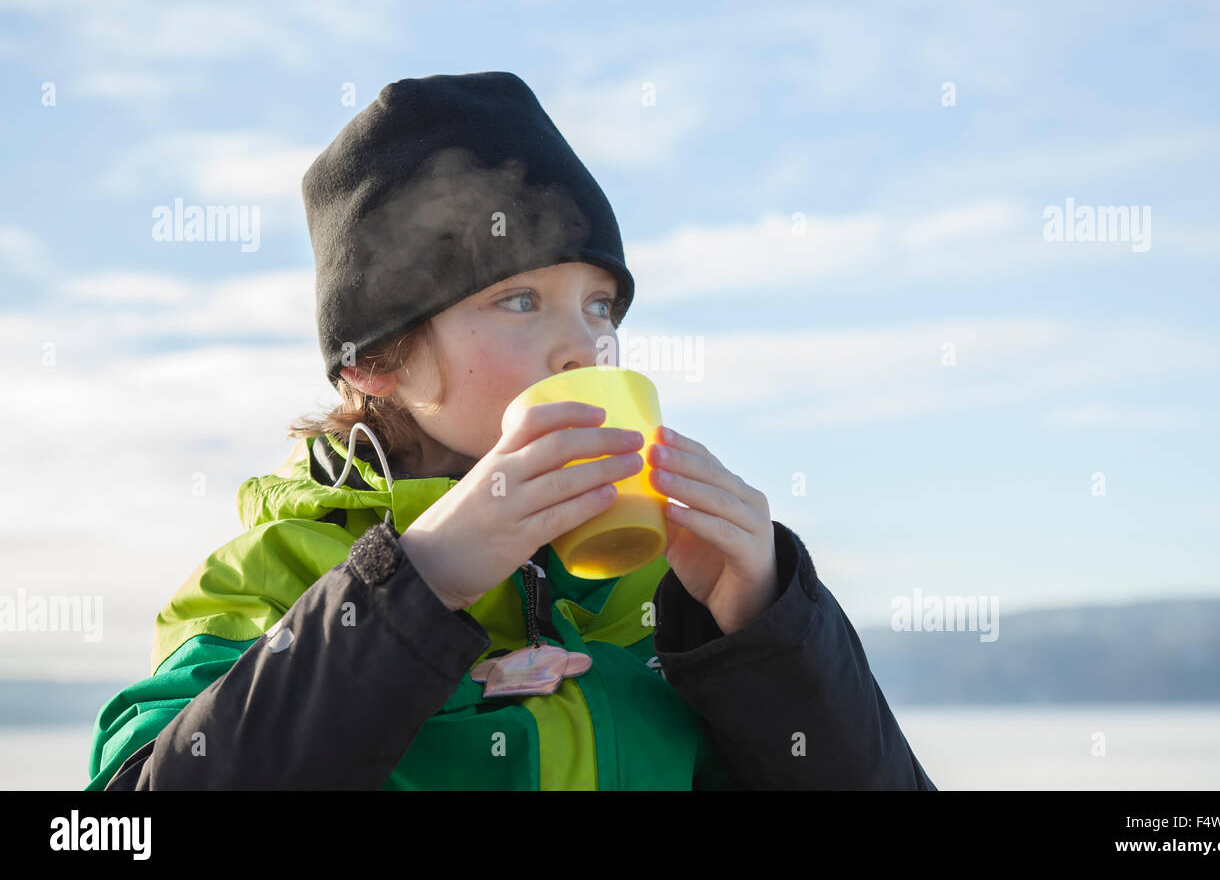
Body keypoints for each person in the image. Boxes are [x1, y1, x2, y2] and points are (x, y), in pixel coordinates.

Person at [85, 71, 937, 791]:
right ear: (376, 361)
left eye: (599, 304)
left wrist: (769, 632)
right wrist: (413, 590)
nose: (583, 346)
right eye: (519, 300)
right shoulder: (271, 579)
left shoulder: (670, 597)